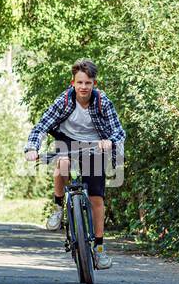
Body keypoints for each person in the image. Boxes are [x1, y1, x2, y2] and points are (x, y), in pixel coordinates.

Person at [23, 58, 125, 269]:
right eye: (80, 83)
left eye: (88, 83)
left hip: (95, 144)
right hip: (67, 140)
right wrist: (32, 148)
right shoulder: (64, 100)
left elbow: (118, 130)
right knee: (62, 161)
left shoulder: (102, 101)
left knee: (97, 198)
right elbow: (42, 126)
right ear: (73, 83)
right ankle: (58, 208)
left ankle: (99, 250)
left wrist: (110, 141)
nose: (83, 87)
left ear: (94, 84)